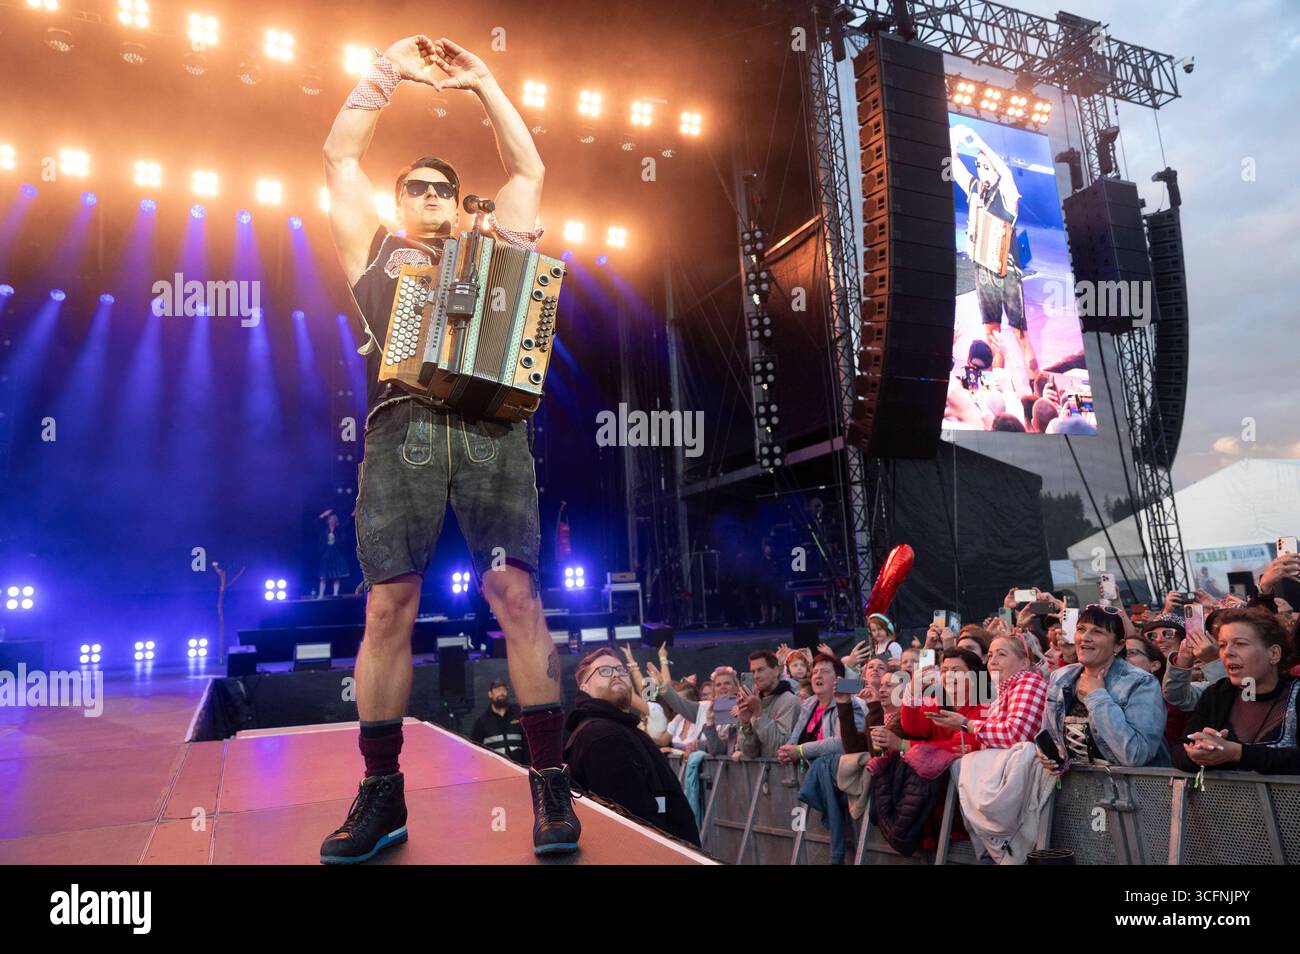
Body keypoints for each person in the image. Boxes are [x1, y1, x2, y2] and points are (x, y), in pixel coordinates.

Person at [319, 35, 577, 863]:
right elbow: (338, 155)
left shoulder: (496, 245)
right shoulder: (375, 251)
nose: (431, 197)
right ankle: (382, 792)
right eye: (417, 189)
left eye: (443, 189)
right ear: (401, 203)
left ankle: (549, 788)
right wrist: (389, 68)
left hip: (494, 428)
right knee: (388, 604)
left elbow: (529, 173)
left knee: (517, 597)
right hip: (405, 425)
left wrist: (485, 82)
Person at [563, 650, 701, 846]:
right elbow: (632, 822)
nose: (616, 673)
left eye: (620, 669)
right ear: (584, 687)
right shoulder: (603, 735)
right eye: (604, 671)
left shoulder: (623, 729)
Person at [950, 122, 1039, 391]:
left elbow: (1005, 171)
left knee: (1019, 333)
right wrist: (954, 139)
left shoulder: (1007, 193)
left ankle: (1037, 385)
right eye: (978, 165)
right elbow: (954, 166)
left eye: (986, 166)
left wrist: (979, 142)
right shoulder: (976, 189)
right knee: (991, 332)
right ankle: (993, 384)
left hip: (1007, 272)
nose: (981, 170)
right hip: (983, 269)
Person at [1037, 605, 1169, 773]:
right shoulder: (1060, 677)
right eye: (1081, 629)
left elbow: (1136, 754)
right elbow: (1049, 734)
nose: (1085, 637)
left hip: (1131, 793)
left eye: (1097, 632)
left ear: (1119, 646)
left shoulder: (1141, 683)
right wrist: (1048, 754)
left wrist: (1098, 697)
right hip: (1076, 791)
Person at [1173, 608, 1300, 774]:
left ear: (1274, 653)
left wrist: (1237, 753)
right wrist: (1199, 752)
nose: (1228, 652)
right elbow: (1179, 751)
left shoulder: (1296, 693)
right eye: (1222, 645)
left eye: (1240, 644)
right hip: (1226, 800)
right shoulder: (1217, 694)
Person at [965, 634, 1048, 748]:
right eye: (990, 655)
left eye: (1001, 654)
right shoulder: (1008, 687)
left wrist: (966, 724)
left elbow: (1015, 736)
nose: (992, 661)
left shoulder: (1029, 682)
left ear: (1024, 663)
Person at [1124, 635, 1187, 750]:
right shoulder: (1106, 691)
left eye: (1131, 653)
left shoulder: (1171, 702)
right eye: (1119, 655)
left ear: (1154, 665)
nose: (1123, 659)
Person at [736, 650, 801, 758]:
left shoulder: (789, 701)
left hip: (783, 774)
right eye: (753, 672)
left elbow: (779, 749)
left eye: (760, 670)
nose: (756, 676)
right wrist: (745, 724)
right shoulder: (754, 702)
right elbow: (750, 753)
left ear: (776, 671)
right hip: (760, 773)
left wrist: (759, 714)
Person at [469, 679, 530, 765]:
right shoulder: (482, 721)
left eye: (503, 689)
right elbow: (475, 749)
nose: (501, 693)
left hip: (520, 768)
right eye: (498, 690)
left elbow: (527, 743)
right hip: (495, 770)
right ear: (490, 694)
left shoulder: (518, 715)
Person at [317, 510, 351, 598]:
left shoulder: (338, 530)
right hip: (326, 552)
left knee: (337, 575)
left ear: (336, 521)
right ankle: (320, 595)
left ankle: (335, 595)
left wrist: (352, 515)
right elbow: (316, 522)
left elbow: (347, 524)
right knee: (323, 575)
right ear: (328, 521)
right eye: (330, 519)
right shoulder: (324, 529)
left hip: (336, 552)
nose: (332, 521)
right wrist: (323, 515)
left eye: (333, 519)